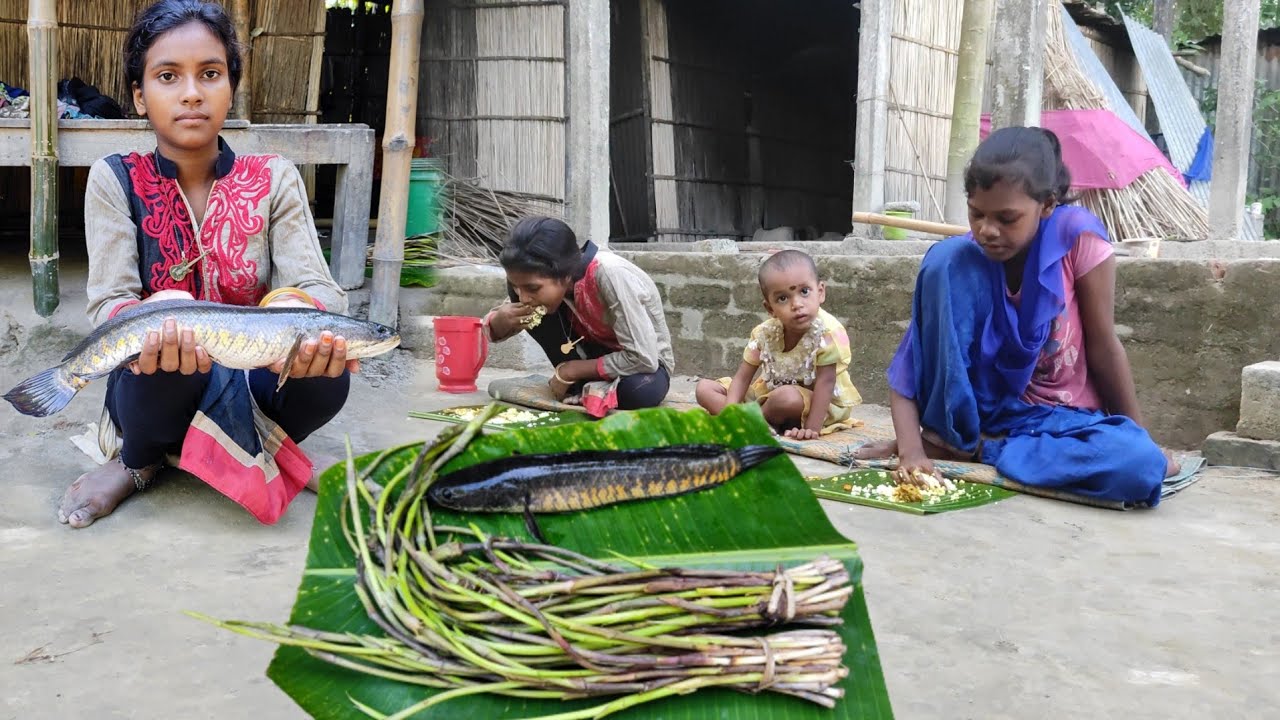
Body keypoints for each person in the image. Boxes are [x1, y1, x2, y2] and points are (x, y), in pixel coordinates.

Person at [59, 0, 359, 529]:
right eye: (168, 76)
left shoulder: (274, 177)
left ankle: (270, 443)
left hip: (257, 379)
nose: (192, 93)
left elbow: (319, 286)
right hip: (157, 387)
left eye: (211, 74)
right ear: (139, 96)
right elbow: (109, 303)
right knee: (162, 359)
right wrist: (154, 315)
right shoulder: (115, 178)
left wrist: (294, 311)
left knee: (325, 363)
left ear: (231, 88)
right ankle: (138, 461)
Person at [857, 127, 1177, 506]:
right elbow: (912, 365)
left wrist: (1142, 439)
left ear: (1047, 205)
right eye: (976, 214)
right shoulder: (963, 262)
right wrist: (911, 450)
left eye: (1007, 218)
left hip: (1059, 424)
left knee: (1137, 463)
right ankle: (959, 441)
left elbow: (1104, 347)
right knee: (945, 257)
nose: (987, 230)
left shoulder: (1076, 239)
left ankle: (983, 452)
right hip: (980, 417)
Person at [484, 217, 674, 416]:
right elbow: (492, 327)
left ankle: (581, 386)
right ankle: (583, 388)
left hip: (642, 367)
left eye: (532, 288)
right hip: (590, 359)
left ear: (565, 275)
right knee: (532, 301)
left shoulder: (610, 274)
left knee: (639, 392)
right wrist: (501, 320)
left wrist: (571, 370)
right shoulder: (531, 286)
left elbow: (643, 359)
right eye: (517, 286)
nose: (523, 297)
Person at [695, 249, 862, 439]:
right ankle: (749, 422)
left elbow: (826, 382)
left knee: (786, 398)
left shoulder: (827, 333)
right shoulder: (764, 333)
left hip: (814, 404)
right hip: (769, 396)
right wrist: (730, 410)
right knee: (704, 388)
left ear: (820, 292)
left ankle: (750, 423)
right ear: (770, 308)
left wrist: (811, 429)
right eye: (782, 298)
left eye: (804, 291)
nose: (796, 304)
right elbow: (742, 378)